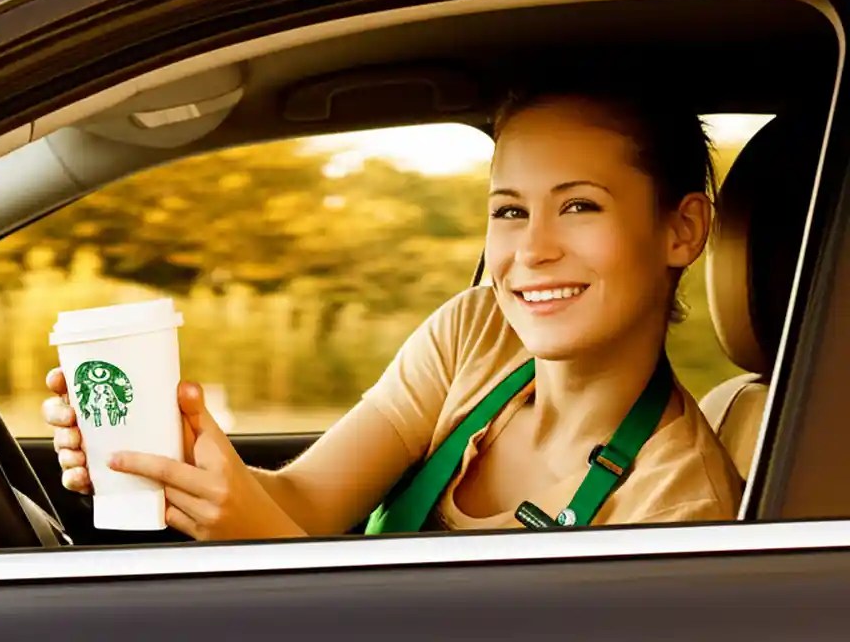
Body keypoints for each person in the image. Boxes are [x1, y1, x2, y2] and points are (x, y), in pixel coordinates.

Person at [44, 79, 743, 541]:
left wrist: (254, 536)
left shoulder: (678, 510)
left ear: (681, 230)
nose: (532, 249)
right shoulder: (476, 336)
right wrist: (167, 452)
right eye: (509, 210)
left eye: (579, 206)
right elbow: (308, 503)